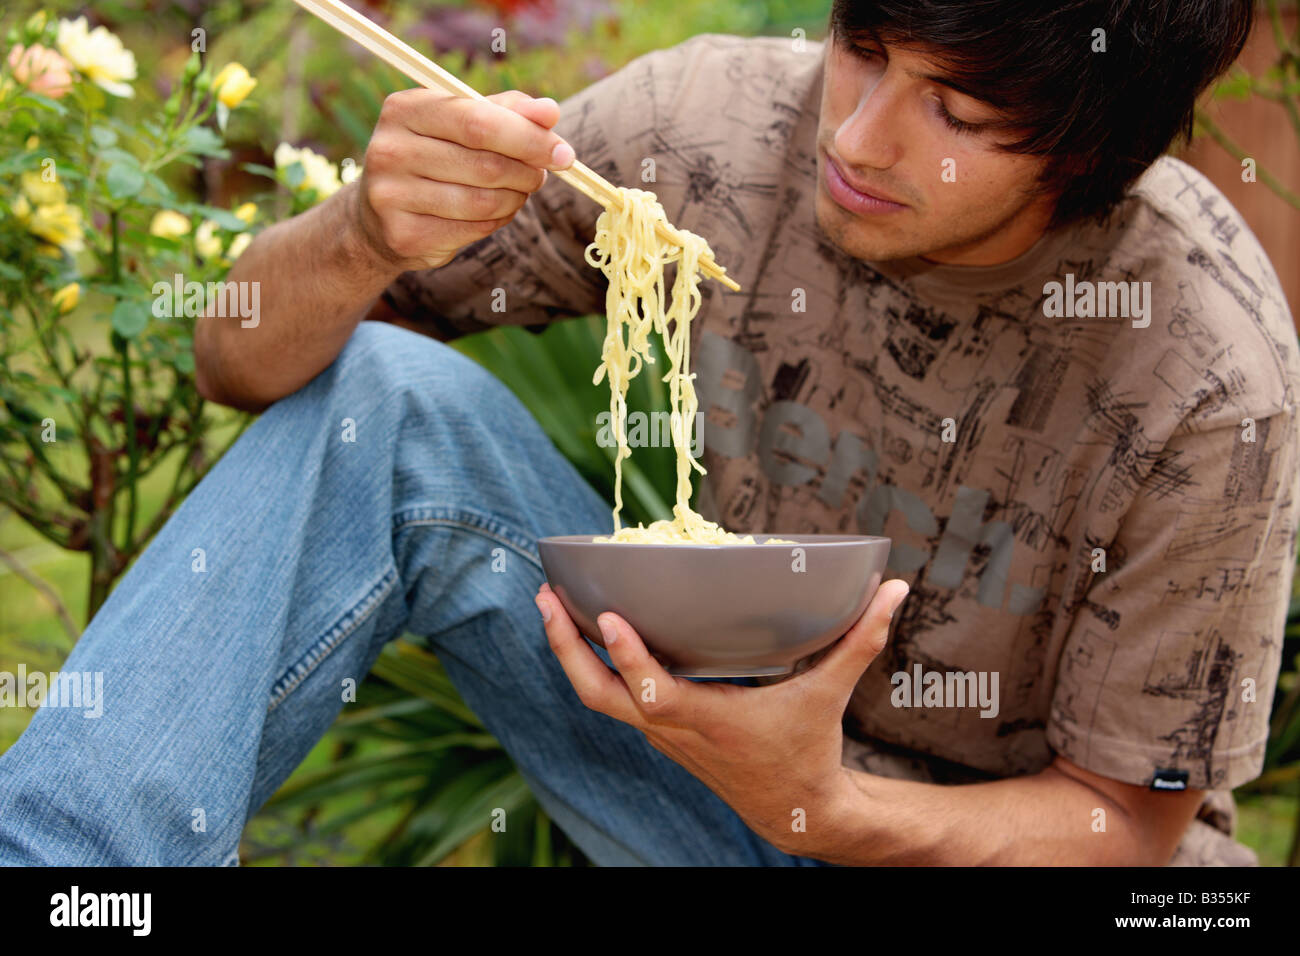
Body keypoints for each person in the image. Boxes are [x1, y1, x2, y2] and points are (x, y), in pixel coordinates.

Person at [2, 0, 1296, 865]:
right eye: (864, 44)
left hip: (966, 851)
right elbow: (239, 360)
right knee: (386, 396)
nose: (856, 136)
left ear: (1096, 157)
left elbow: (1128, 820)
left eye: (956, 114)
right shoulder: (707, 137)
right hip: (686, 753)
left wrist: (834, 806)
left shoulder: (1198, 371)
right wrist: (360, 233)